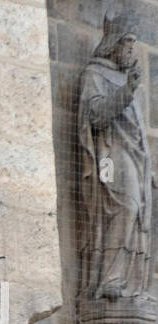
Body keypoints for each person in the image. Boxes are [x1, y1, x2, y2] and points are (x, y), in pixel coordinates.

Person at [78, 9, 153, 305]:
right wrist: (128, 90)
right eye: (128, 43)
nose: (132, 50)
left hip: (133, 159)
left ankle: (129, 284)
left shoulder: (124, 80)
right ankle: (109, 280)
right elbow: (95, 116)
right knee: (126, 207)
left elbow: (136, 131)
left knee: (136, 215)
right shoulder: (94, 74)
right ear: (113, 43)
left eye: (134, 44)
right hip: (110, 158)